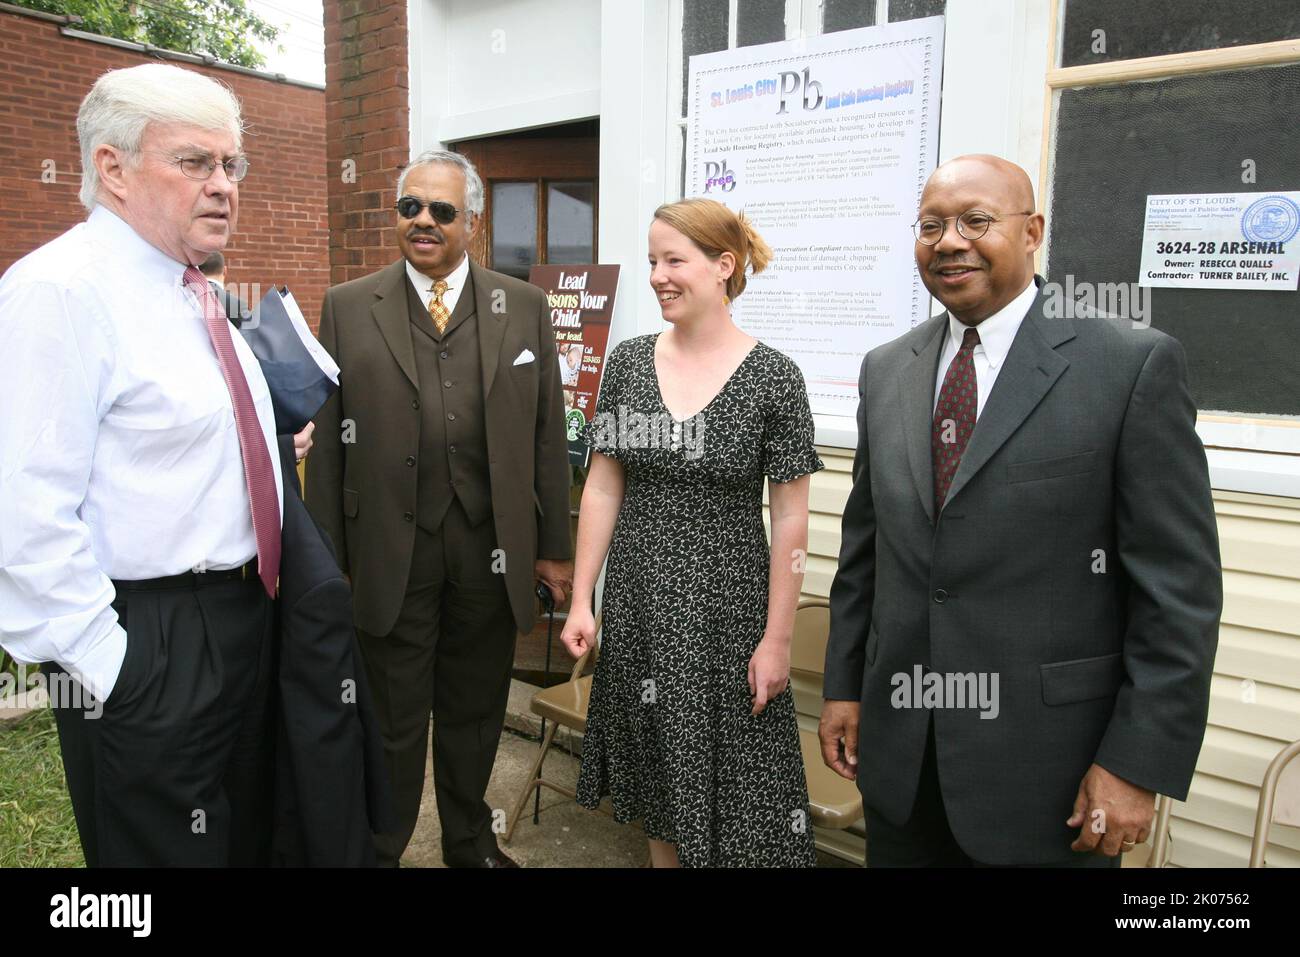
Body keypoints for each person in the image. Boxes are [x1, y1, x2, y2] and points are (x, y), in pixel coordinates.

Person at [819, 154, 1222, 867]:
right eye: (931, 225)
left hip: (1050, 780)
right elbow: (866, 553)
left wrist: (1135, 763)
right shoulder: (887, 369)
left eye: (976, 221)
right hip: (903, 764)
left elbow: (1178, 593)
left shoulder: (1130, 365)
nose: (949, 241)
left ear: (1032, 231)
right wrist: (846, 688)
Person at [0, 63, 285, 866]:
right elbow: (24, 510)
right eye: (196, 163)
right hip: (147, 636)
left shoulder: (190, 289)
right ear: (112, 168)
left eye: (232, 165)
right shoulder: (59, 292)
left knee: (239, 842)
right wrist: (112, 669)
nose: (224, 185)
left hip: (239, 620)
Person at [305, 149, 574, 868]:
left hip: (491, 552)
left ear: (473, 224)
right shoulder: (347, 305)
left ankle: (468, 840)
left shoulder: (523, 307)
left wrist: (554, 548)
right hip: (390, 554)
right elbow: (327, 447)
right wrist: (329, 566)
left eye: (442, 211)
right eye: (410, 207)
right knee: (390, 718)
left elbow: (550, 436)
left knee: (475, 710)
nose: (423, 221)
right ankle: (381, 847)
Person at [561, 198, 822, 868]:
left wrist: (777, 638)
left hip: (729, 619)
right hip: (640, 608)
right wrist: (582, 597)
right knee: (659, 781)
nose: (657, 275)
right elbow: (603, 483)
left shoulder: (775, 378)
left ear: (723, 266)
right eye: (653, 260)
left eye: (673, 259)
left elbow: (792, 516)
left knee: (744, 796)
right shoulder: (627, 362)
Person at [199, 250, 251, 326]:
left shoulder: (182, 295)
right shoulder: (237, 305)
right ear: (225, 270)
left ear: (198, 271)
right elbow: (250, 336)